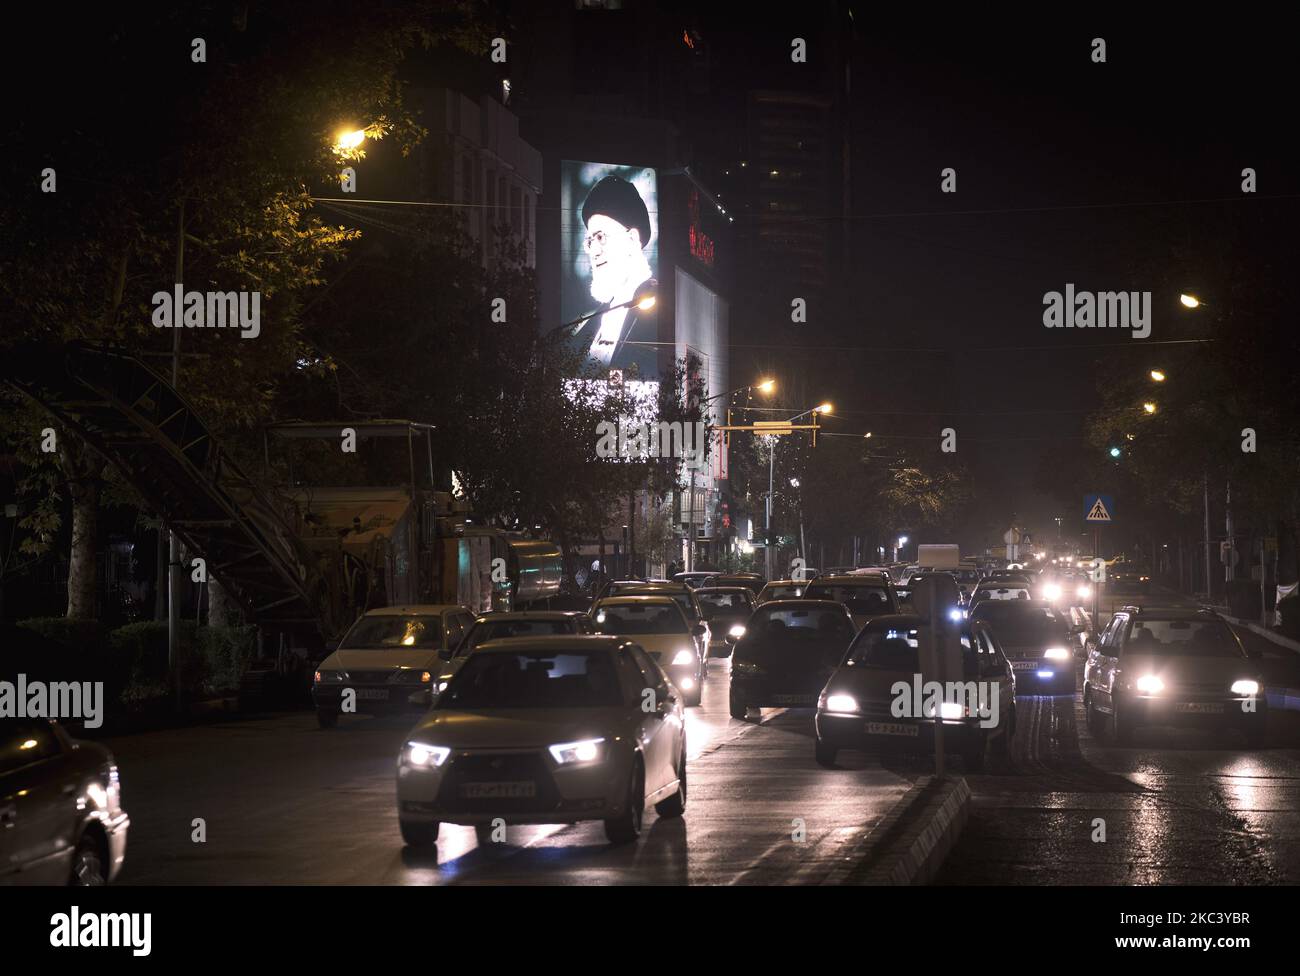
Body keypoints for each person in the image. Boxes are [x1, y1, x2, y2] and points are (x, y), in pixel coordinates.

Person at [571, 175, 656, 373]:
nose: (594, 250)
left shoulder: (655, 306)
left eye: (601, 237)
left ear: (632, 239)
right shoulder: (588, 322)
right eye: (590, 241)